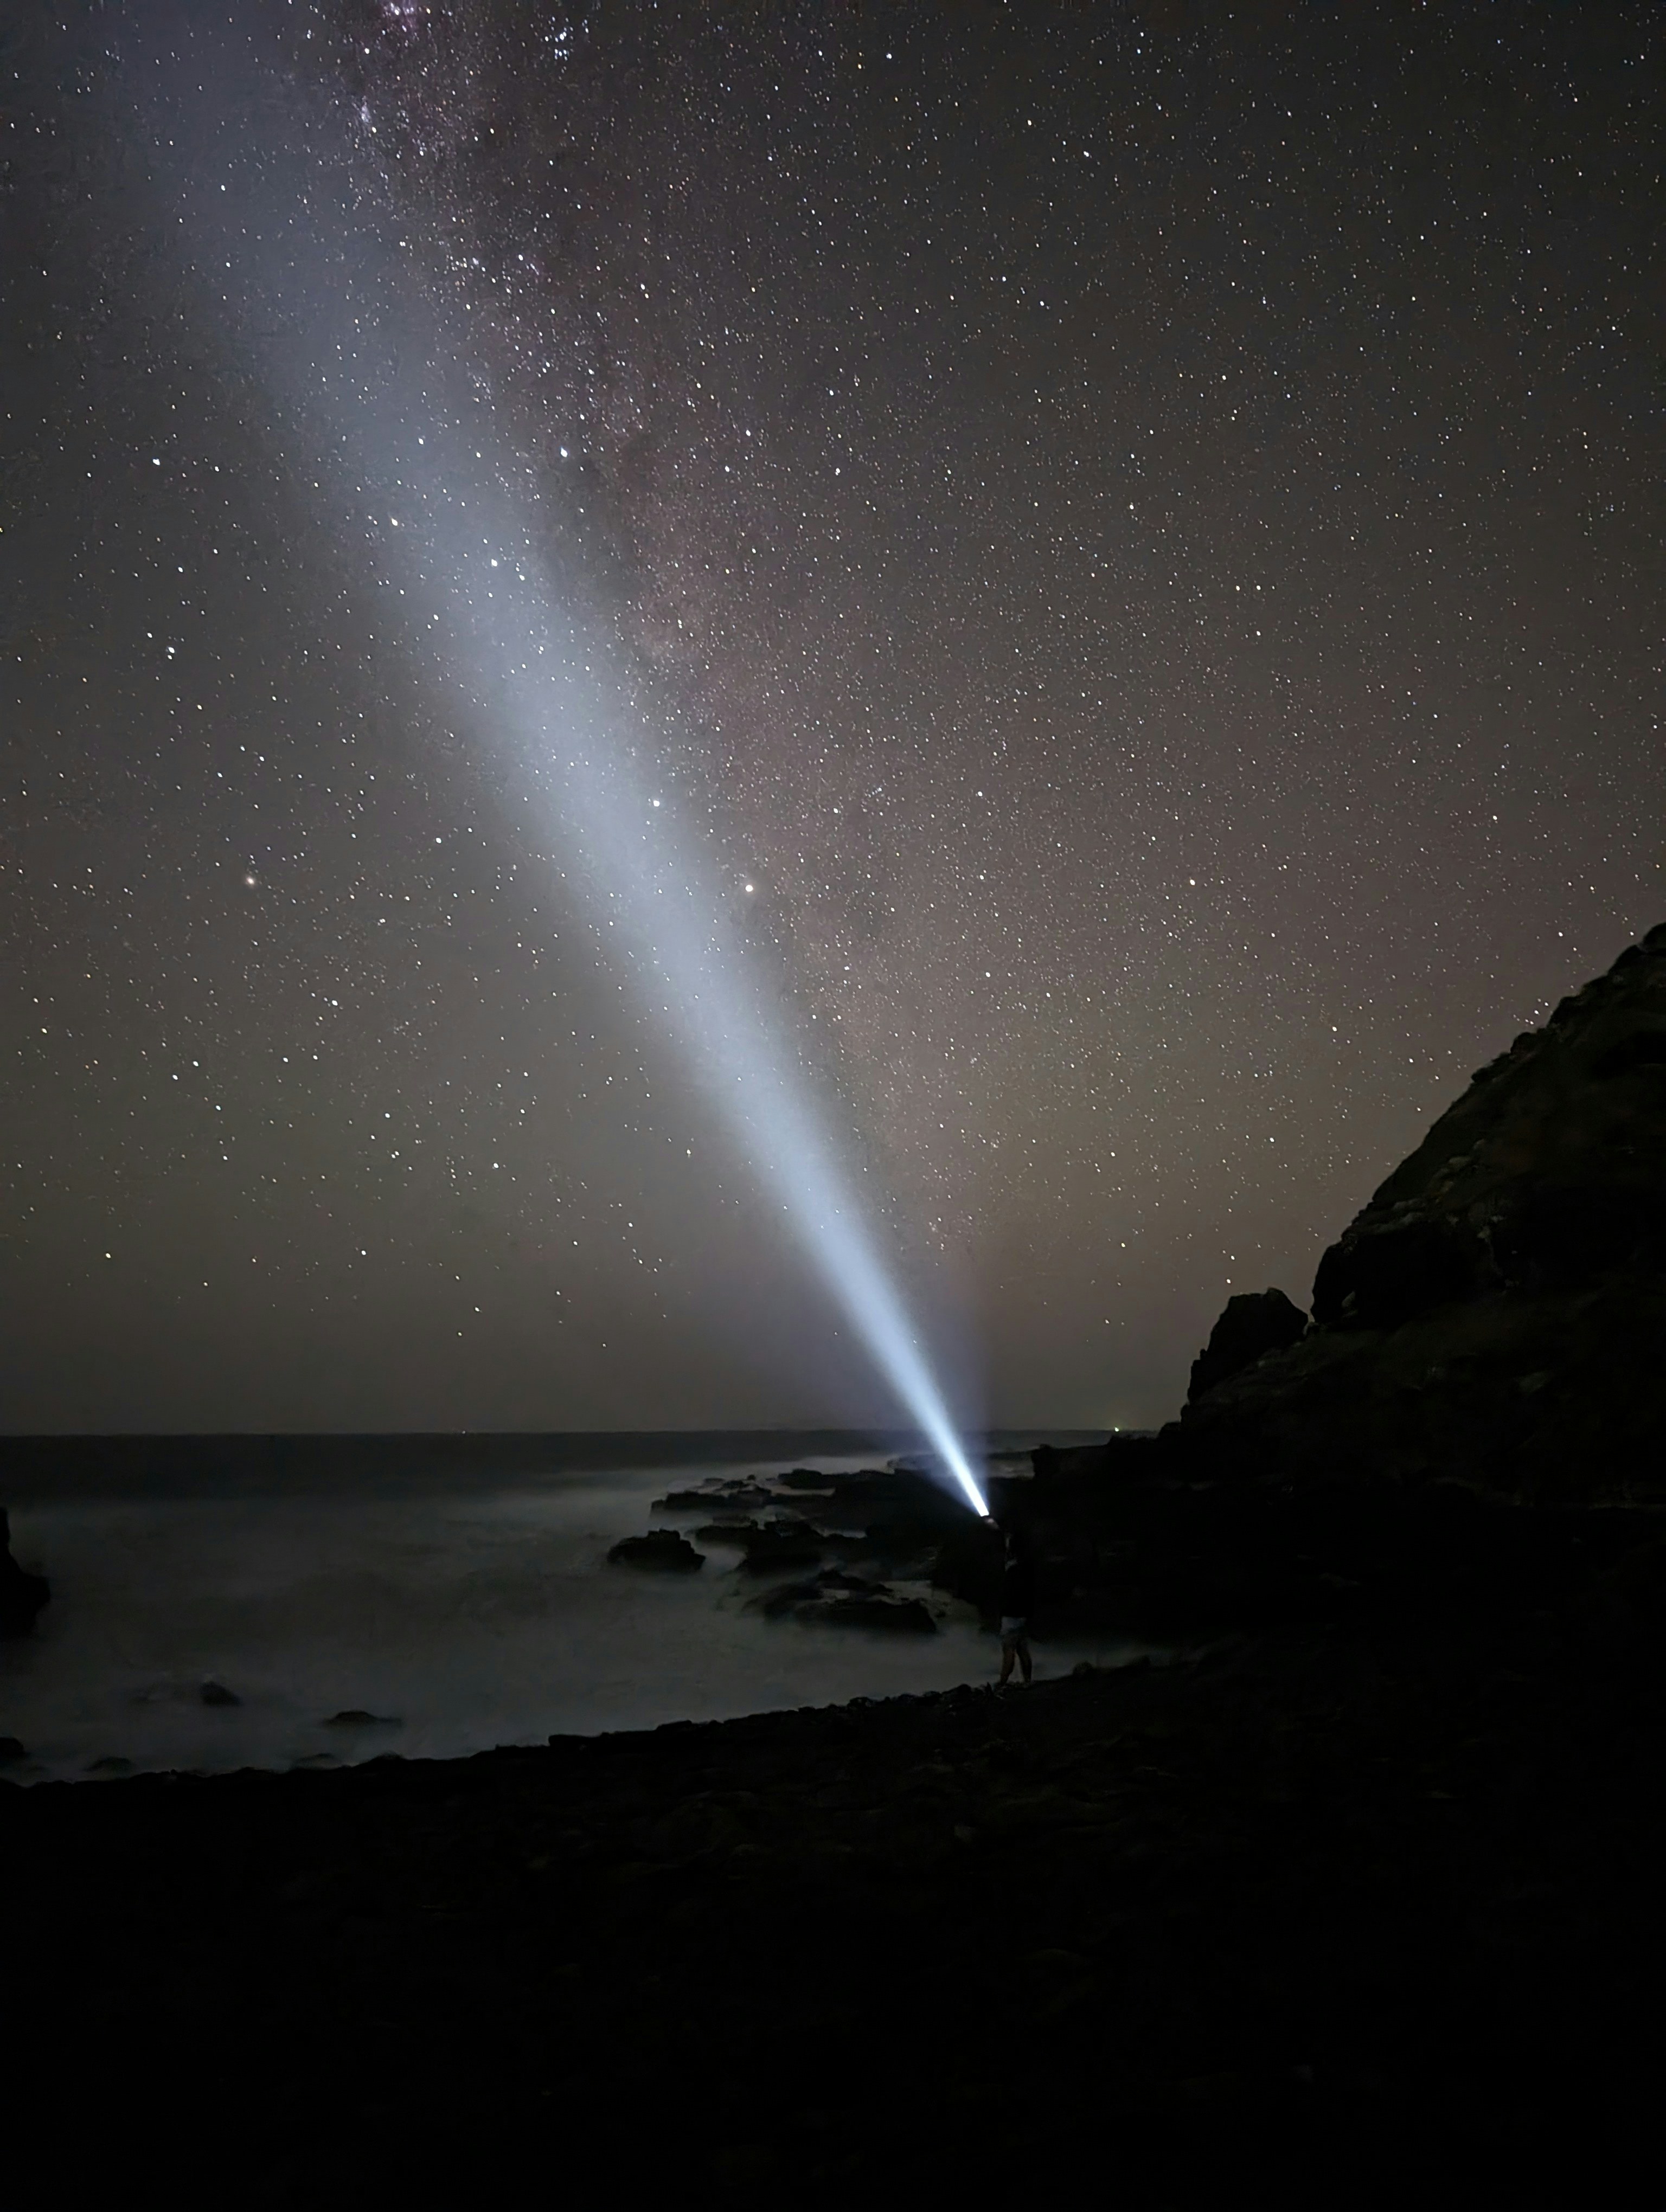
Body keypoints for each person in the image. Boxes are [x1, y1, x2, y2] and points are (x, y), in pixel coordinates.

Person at [997, 1519, 1034, 1686]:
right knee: (1023, 1650)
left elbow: (1009, 1593)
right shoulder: (1025, 1568)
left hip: (1011, 1614)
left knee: (1009, 1650)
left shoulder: (1013, 1572)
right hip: (1022, 1614)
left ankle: (1002, 1683)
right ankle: (1028, 1681)